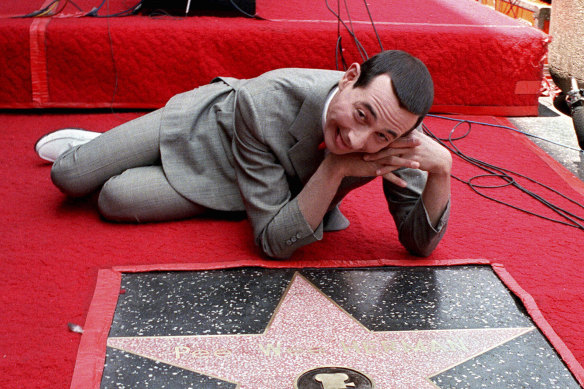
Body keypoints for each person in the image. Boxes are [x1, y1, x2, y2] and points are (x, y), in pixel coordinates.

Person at [35, 50, 452, 259]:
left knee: (114, 199)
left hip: (250, 182)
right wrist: (337, 167)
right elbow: (274, 234)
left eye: (381, 135)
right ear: (349, 78)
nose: (360, 141)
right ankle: (109, 144)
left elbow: (418, 245)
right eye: (360, 115)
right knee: (69, 176)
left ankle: (133, 161)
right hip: (206, 128)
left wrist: (442, 172)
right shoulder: (266, 99)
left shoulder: (398, 131)